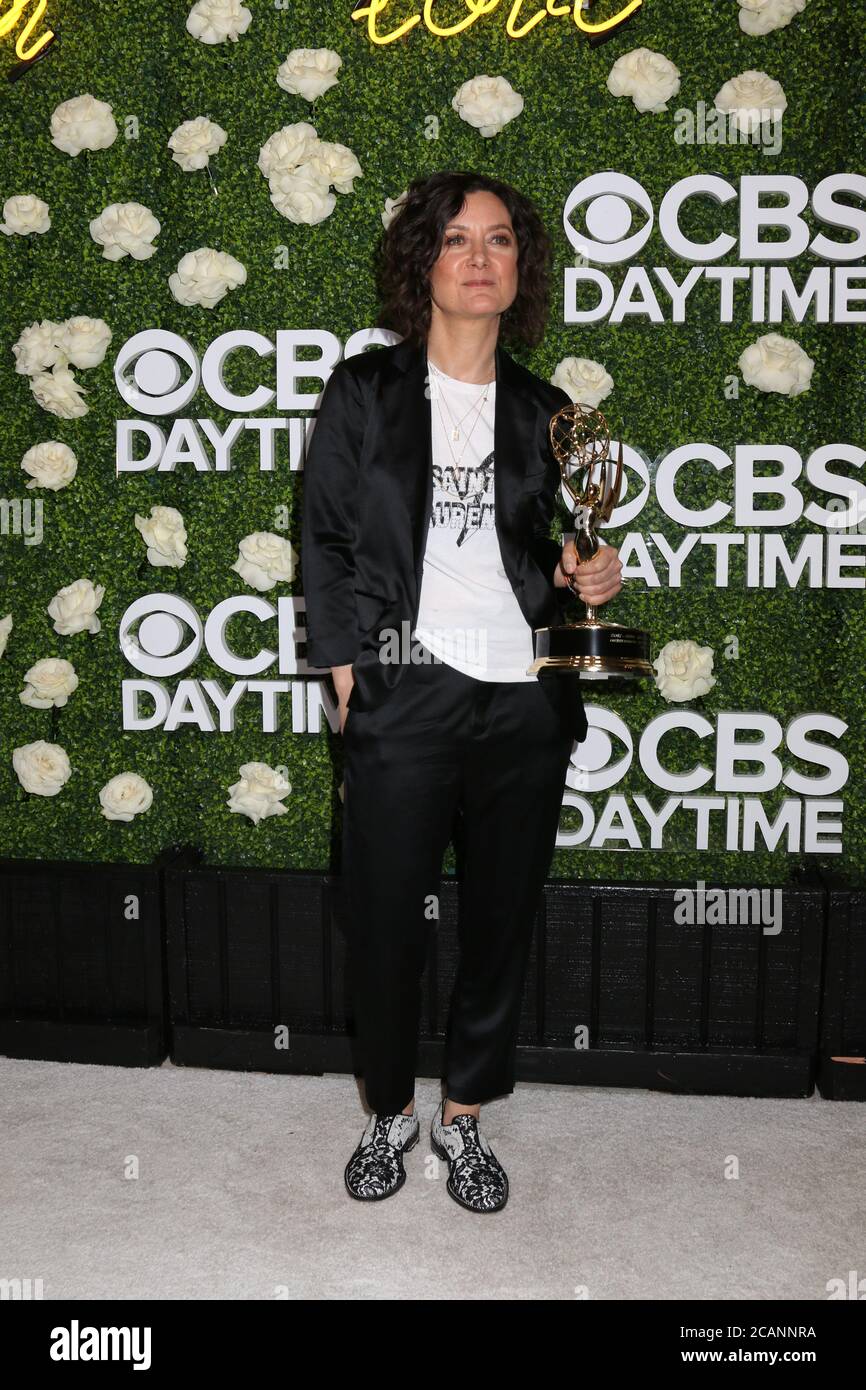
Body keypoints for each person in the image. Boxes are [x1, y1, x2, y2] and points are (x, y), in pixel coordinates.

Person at [301, 170, 622, 1214]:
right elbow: (327, 540)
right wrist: (351, 677)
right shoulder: (363, 389)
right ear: (422, 264)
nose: (479, 258)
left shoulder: (550, 414)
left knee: (498, 917)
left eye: (498, 241)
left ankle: (465, 1116)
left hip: (522, 698)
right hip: (404, 689)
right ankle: (390, 1109)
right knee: (386, 917)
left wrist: (590, 574)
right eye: (455, 241)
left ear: (519, 268)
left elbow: (560, 551)